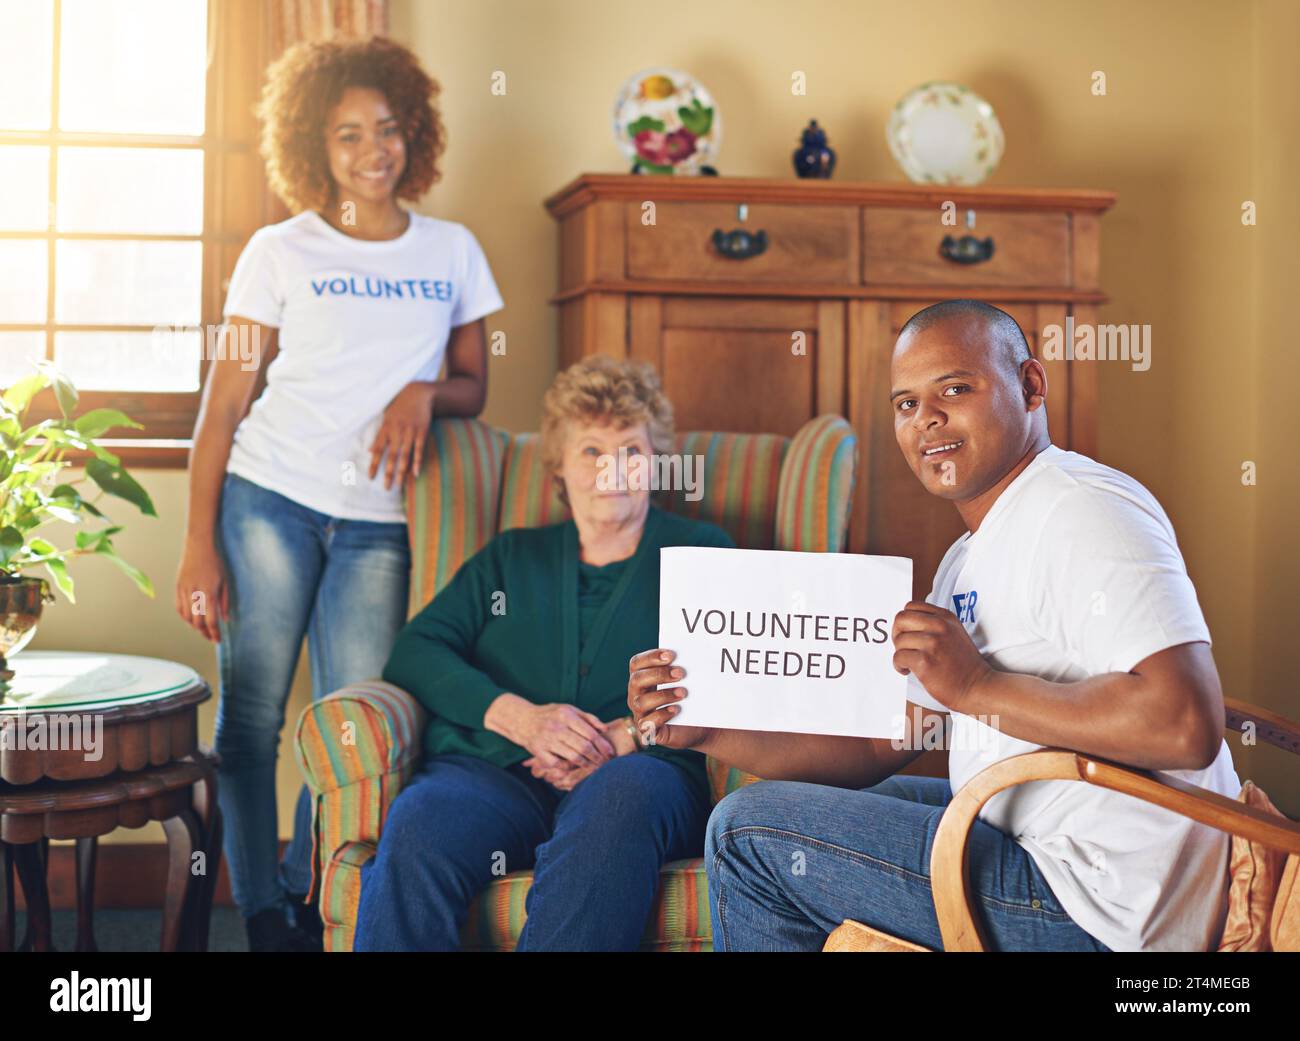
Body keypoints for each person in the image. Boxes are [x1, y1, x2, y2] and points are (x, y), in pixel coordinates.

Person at [628, 299, 1241, 953]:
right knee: (802, 805)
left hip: (1102, 908)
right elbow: (874, 749)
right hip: (1031, 845)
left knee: (746, 833)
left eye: (955, 388)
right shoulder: (966, 559)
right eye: (906, 404)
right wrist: (709, 728)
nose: (928, 419)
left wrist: (974, 686)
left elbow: (1185, 723)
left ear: (1031, 385)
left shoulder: (1080, 510)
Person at [174, 37, 503, 952]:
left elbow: (475, 384)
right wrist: (198, 543)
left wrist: (422, 390)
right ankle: (265, 916)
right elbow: (226, 401)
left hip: (378, 522)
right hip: (268, 497)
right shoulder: (280, 249)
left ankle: (314, 893)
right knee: (248, 719)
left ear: (415, 135)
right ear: (314, 145)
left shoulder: (452, 249)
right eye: (349, 133)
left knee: (347, 728)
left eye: (388, 129)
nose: (372, 149)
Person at [353, 356, 733, 951]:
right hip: (494, 771)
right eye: (591, 451)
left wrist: (626, 738)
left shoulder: (703, 551)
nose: (613, 468)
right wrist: (522, 719)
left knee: (618, 800)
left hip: (643, 774)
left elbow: (737, 671)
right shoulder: (510, 558)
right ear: (558, 467)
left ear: (656, 462)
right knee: (421, 823)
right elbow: (418, 650)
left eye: (631, 450)